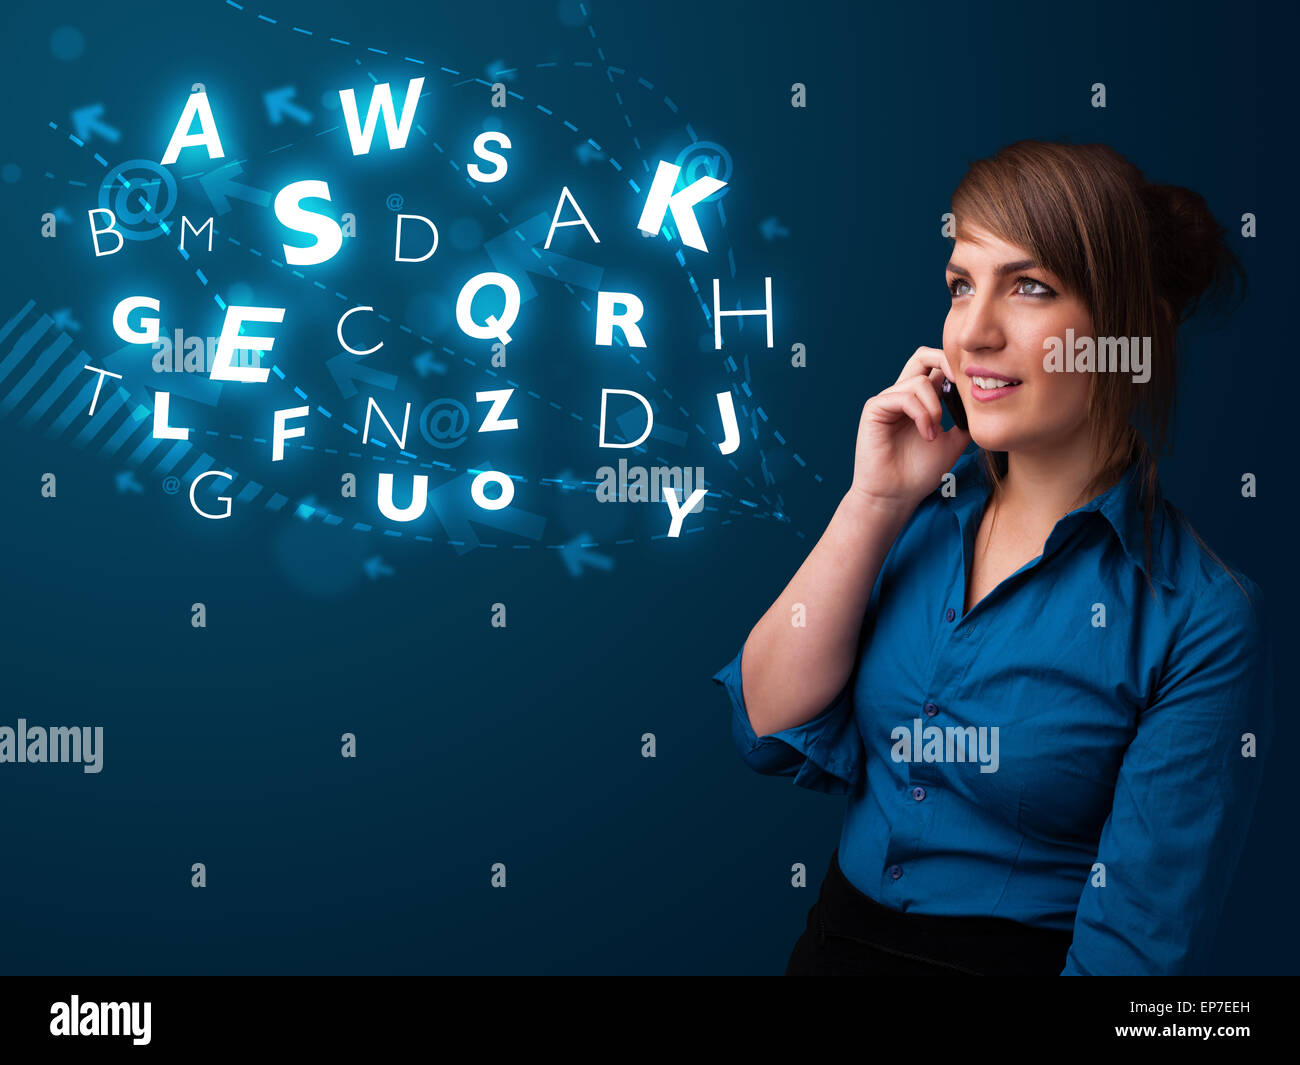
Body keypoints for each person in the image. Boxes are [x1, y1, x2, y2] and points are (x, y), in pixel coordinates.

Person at [713, 140, 1274, 976]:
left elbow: (1137, 952)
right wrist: (874, 501)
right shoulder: (915, 511)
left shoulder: (1200, 614)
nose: (974, 332)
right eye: (961, 285)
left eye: (1031, 287)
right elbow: (764, 723)